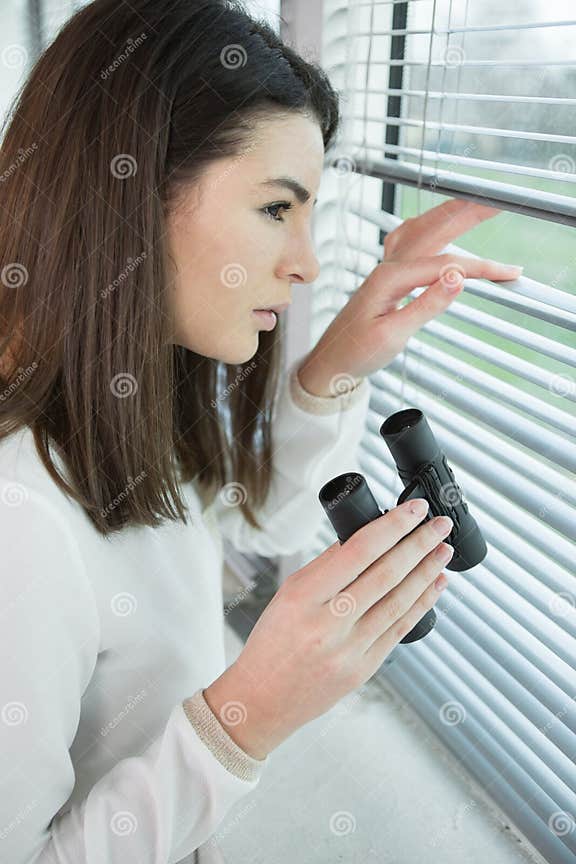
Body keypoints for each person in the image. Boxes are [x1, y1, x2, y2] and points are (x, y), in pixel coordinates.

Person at [0, 1, 523, 862]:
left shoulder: (124, 394)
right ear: (129, 194)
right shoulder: (19, 513)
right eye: (278, 208)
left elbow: (253, 523)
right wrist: (247, 715)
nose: (308, 263)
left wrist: (343, 356)